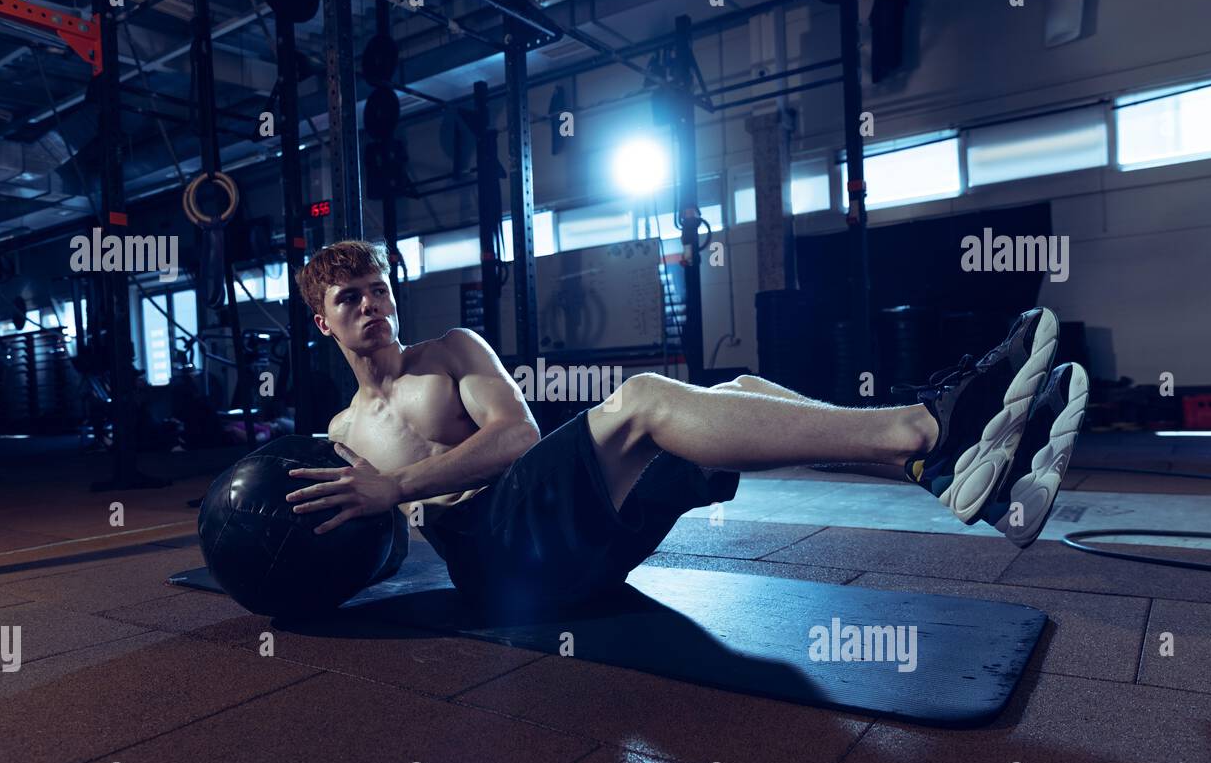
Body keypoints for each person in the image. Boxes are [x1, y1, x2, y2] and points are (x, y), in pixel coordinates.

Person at [285, 241, 1087, 613]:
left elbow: (516, 437)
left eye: (378, 289)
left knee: (739, 388)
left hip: (573, 536)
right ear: (323, 321)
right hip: (504, 566)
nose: (371, 306)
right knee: (642, 397)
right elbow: (369, 540)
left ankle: (934, 468)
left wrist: (394, 484)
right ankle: (923, 429)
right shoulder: (342, 429)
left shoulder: (452, 350)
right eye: (349, 299)